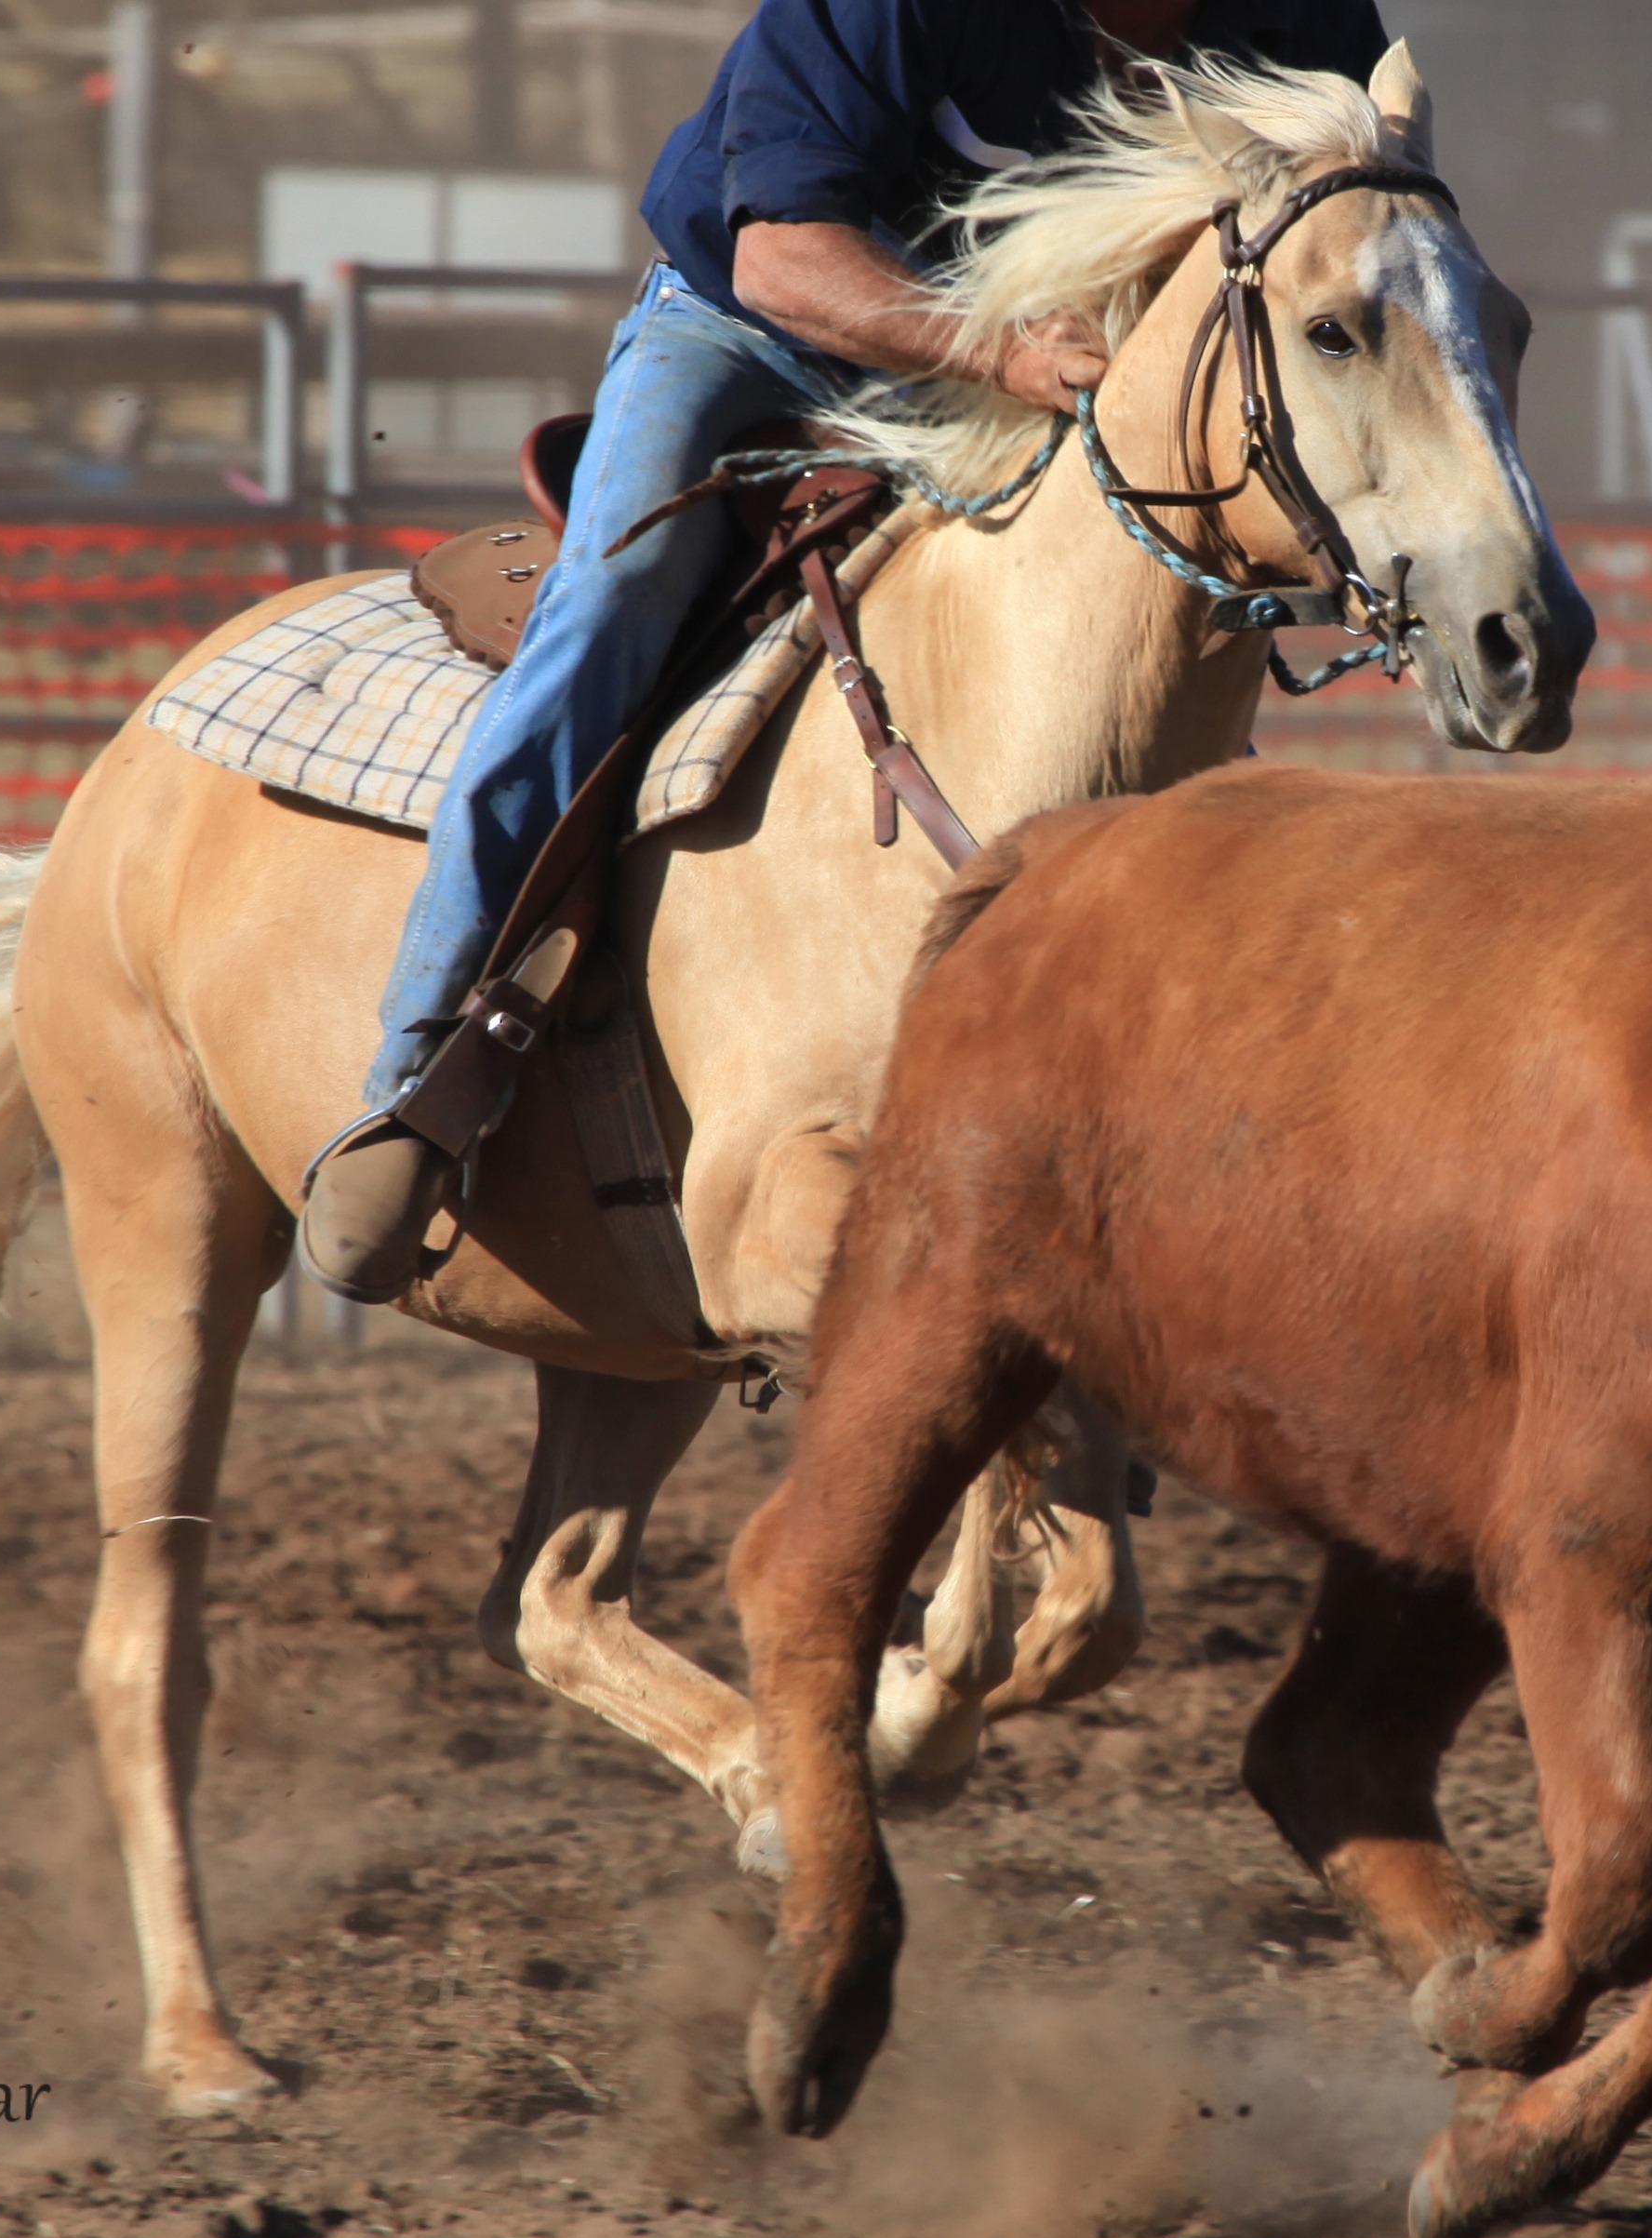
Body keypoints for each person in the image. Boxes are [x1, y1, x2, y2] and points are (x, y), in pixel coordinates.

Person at [302, 0, 1392, 1304]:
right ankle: (424, 1079)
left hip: (1075, 370)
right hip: (758, 337)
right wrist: (997, 349)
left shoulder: (1304, 14)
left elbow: (1348, 239)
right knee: (616, 600)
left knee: (1158, 657)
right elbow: (780, 259)